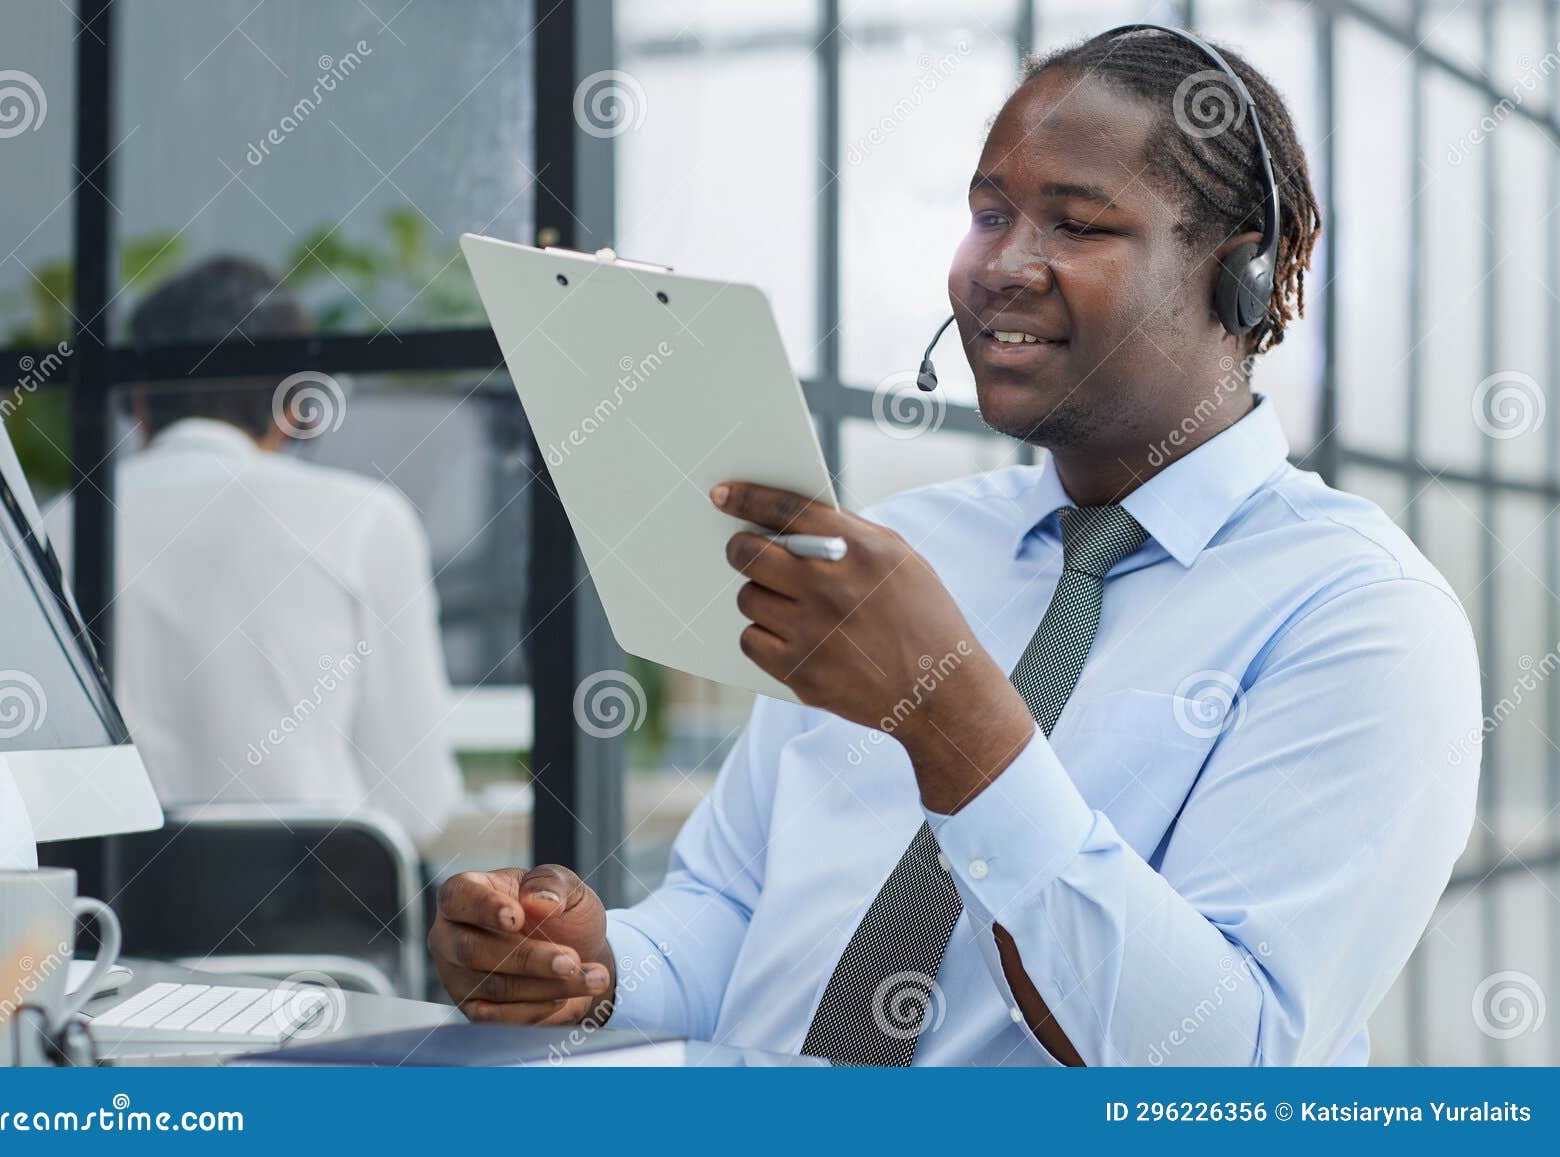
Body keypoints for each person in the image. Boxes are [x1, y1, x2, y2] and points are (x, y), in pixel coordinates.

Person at [428, 27, 1481, 1065]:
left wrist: (958, 728)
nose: (1001, 266)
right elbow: (736, 910)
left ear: (1238, 274)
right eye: (987, 214)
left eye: (1076, 224)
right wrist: (601, 968)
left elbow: (1224, 1069)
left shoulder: (1361, 616)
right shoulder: (901, 550)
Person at [45, 256, 463, 844]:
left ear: (136, 398)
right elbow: (418, 803)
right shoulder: (366, 520)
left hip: (99, 898)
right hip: (318, 896)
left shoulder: (55, 526)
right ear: (296, 407)